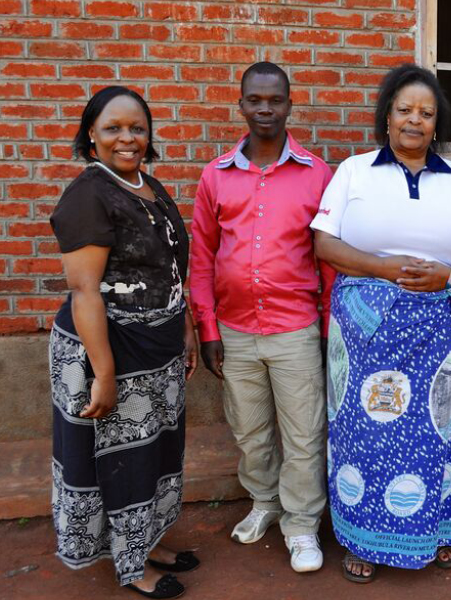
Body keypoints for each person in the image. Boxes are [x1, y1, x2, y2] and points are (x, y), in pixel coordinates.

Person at [312, 64, 451, 583]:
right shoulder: (353, 171)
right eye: (404, 110)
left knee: (443, 429)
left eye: (426, 112)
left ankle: (440, 529)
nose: (414, 120)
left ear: (436, 124)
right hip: (370, 332)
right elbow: (324, 244)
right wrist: (384, 269)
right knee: (367, 433)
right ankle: (364, 536)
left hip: (443, 330)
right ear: (387, 117)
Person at [49, 86, 199, 599]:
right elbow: (85, 290)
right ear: (91, 135)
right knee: (122, 458)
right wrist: (105, 373)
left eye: (137, 127)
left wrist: (185, 326)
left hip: (156, 349)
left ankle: (147, 541)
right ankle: (131, 566)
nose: (127, 137)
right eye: (113, 128)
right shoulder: (89, 194)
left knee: (155, 453)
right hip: (110, 350)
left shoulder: (147, 185)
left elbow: (169, 269)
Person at [189, 62, 334, 572]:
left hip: (295, 328)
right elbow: (202, 255)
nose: (265, 109)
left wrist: (327, 326)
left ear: (290, 104)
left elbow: (329, 260)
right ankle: (266, 503)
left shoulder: (317, 174)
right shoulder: (216, 176)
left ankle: (301, 522)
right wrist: (206, 328)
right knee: (249, 431)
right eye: (255, 99)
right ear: (242, 104)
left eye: (275, 99)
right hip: (234, 329)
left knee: (302, 432)